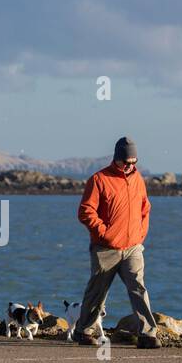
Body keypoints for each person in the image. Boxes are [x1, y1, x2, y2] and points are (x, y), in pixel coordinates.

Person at [73, 136, 160, 348]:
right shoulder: (99, 179)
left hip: (133, 248)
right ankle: (83, 331)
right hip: (105, 248)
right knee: (97, 291)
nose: (130, 165)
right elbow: (86, 211)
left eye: (134, 161)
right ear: (117, 158)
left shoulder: (138, 179)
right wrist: (105, 233)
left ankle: (148, 335)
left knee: (138, 288)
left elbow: (145, 208)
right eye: (127, 161)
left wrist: (141, 234)